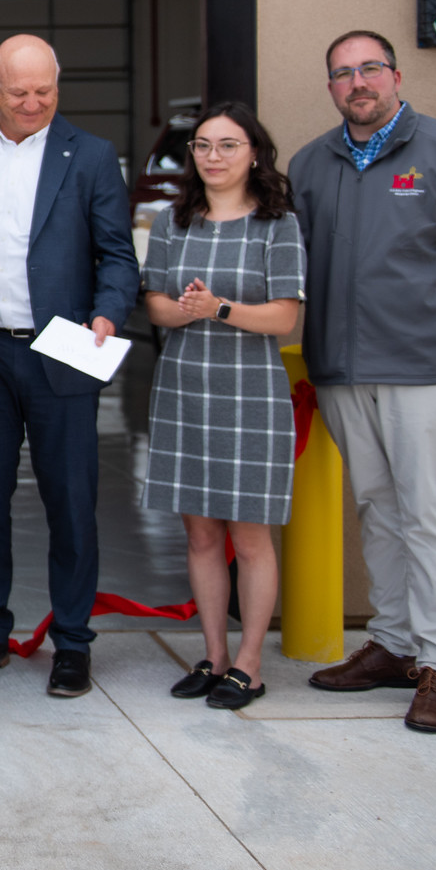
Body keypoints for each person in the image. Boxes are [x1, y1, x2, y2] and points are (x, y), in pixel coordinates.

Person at [291, 31, 436, 734]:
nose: (358, 81)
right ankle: (391, 642)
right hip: (342, 369)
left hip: (422, 369)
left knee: (428, 513)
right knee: (377, 509)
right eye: (342, 73)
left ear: (395, 74)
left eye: (370, 68)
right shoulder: (311, 164)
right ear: (330, 87)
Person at [0, 34, 138, 698]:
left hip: (62, 346)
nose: (32, 102)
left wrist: (106, 314)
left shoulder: (93, 155)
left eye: (44, 90)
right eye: (19, 91)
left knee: (71, 502)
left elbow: (117, 256)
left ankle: (72, 641)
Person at [141, 103, 304, 711]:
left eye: (228, 145)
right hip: (185, 386)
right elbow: (153, 303)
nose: (213, 156)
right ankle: (211, 655)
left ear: (254, 153)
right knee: (201, 534)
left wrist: (220, 309)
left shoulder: (276, 225)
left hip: (249, 392)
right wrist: (182, 310)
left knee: (250, 536)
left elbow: (286, 317)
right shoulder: (171, 222)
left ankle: (250, 664)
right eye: (204, 146)